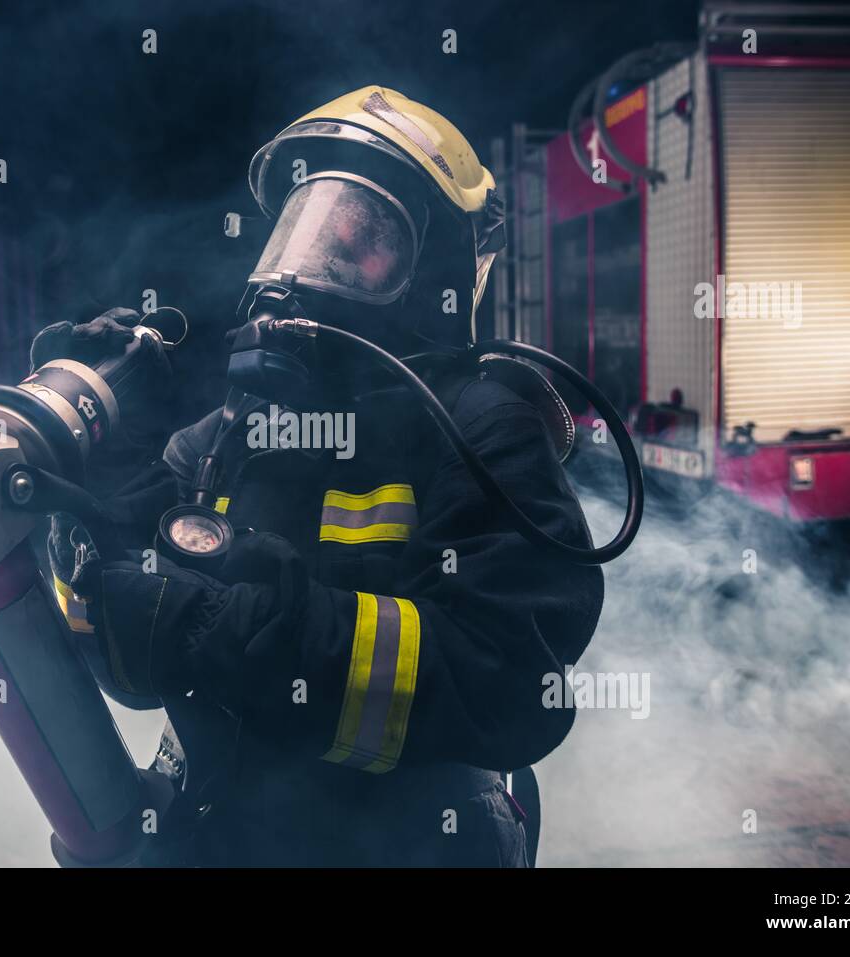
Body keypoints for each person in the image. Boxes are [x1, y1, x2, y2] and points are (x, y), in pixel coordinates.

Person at [33, 85, 603, 866]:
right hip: (209, 831)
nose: (302, 269)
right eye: (301, 229)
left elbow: (508, 684)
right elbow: (129, 656)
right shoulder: (220, 437)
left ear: (433, 274)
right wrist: (104, 483)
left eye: (359, 234)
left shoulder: (478, 429)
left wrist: (236, 630)